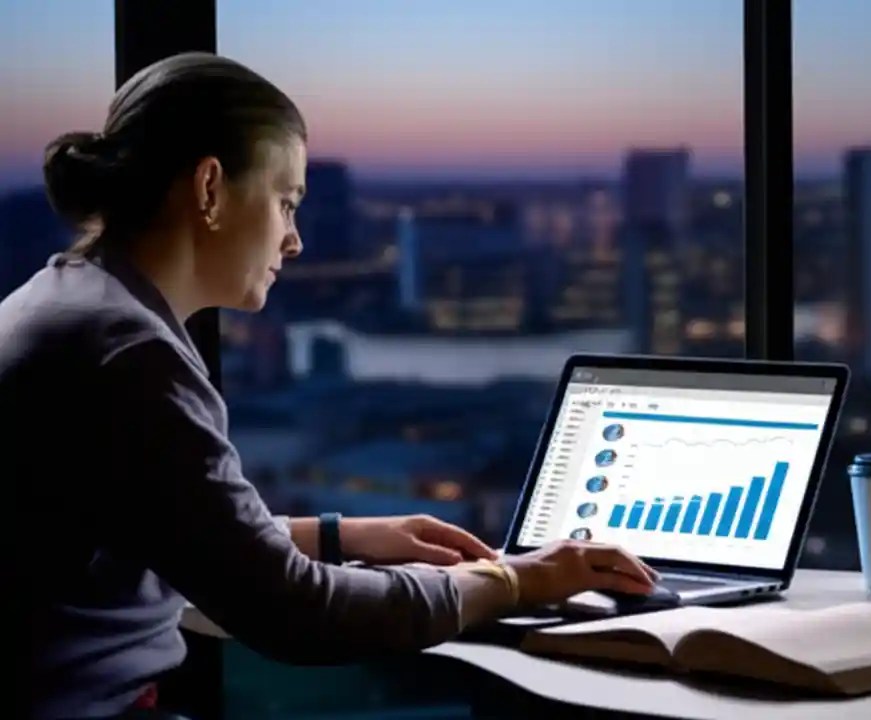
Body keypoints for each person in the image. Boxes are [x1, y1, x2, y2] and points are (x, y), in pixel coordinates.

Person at [1, 51, 657, 719]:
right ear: (209, 189)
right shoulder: (129, 356)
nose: (294, 241)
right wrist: (514, 579)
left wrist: (350, 537)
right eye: (287, 202)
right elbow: (295, 612)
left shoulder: (62, 305)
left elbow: (189, 533)